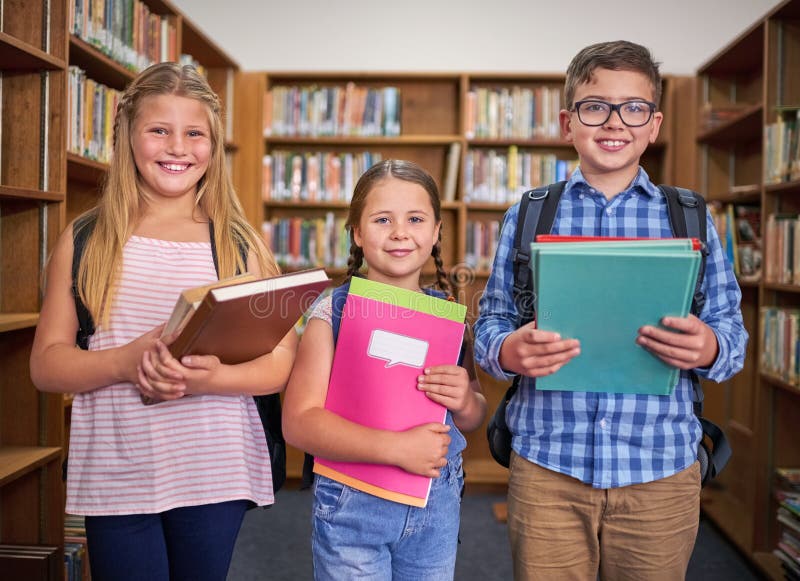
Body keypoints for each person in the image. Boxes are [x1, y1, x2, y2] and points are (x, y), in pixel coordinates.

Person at [473, 40, 748, 580]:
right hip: (548, 465)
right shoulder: (527, 215)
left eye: (634, 108)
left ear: (654, 124)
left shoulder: (689, 217)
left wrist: (709, 345)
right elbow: (490, 322)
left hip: (661, 468)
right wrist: (507, 348)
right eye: (594, 106)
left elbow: (731, 334)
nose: (614, 121)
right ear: (566, 123)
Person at [30, 62, 296, 581]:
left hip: (215, 469)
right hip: (116, 470)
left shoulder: (240, 245)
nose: (178, 148)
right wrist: (127, 362)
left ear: (213, 145)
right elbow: (45, 365)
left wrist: (212, 378)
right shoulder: (86, 239)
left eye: (194, 133)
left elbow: (280, 361)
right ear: (128, 137)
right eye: (159, 130)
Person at [283, 159, 487, 580]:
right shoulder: (332, 313)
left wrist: (465, 399)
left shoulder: (448, 317)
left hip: (435, 505)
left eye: (415, 219)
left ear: (435, 233)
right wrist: (396, 449)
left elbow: (473, 415)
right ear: (357, 232)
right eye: (381, 219)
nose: (399, 232)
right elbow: (299, 423)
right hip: (353, 502)